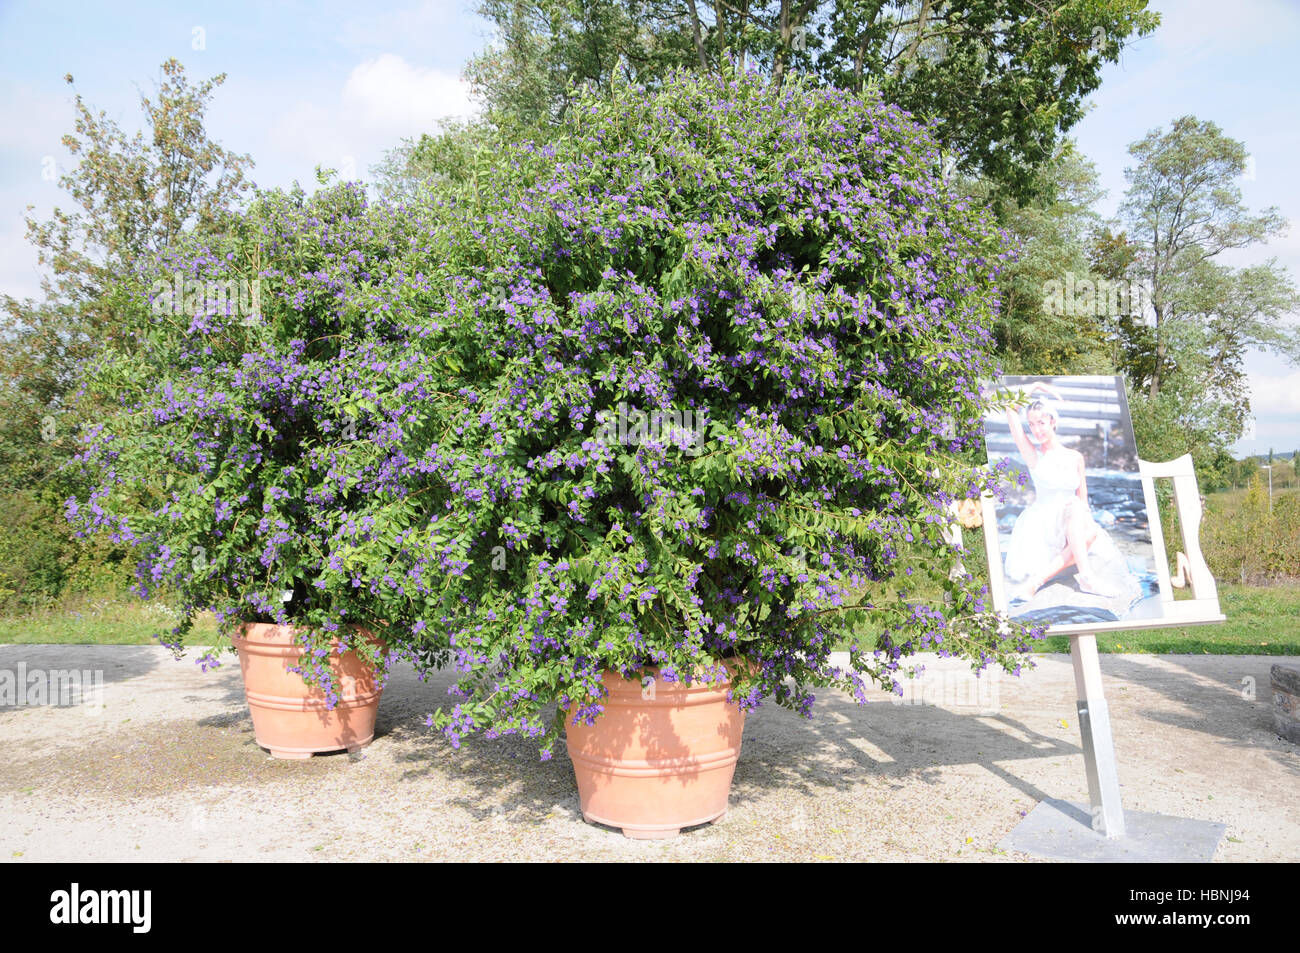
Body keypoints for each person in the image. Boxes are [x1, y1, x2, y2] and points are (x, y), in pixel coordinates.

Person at [1002, 382, 1138, 605]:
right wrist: (1036, 385)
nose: (1037, 430)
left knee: (1088, 526)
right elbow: (1009, 408)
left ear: (1053, 422)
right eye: (1032, 424)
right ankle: (1084, 577)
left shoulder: (1075, 457)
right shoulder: (1033, 455)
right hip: (1044, 524)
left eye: (1042, 423)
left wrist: (1089, 525)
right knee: (1077, 513)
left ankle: (1042, 581)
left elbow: (1083, 500)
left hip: (1072, 522)